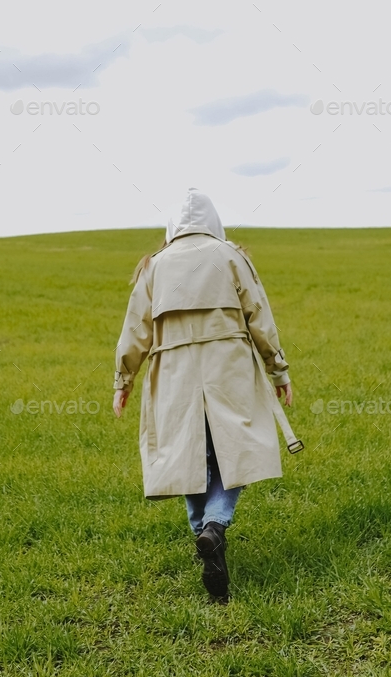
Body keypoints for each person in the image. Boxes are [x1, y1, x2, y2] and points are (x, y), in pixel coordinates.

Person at [113, 186, 299, 603]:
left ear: (172, 227)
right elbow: (260, 317)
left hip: (174, 374)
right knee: (237, 449)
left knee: (189, 456)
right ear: (214, 223)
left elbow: (134, 331)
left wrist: (123, 382)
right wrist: (279, 371)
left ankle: (206, 535)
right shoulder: (232, 256)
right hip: (229, 369)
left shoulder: (153, 267)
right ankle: (214, 528)